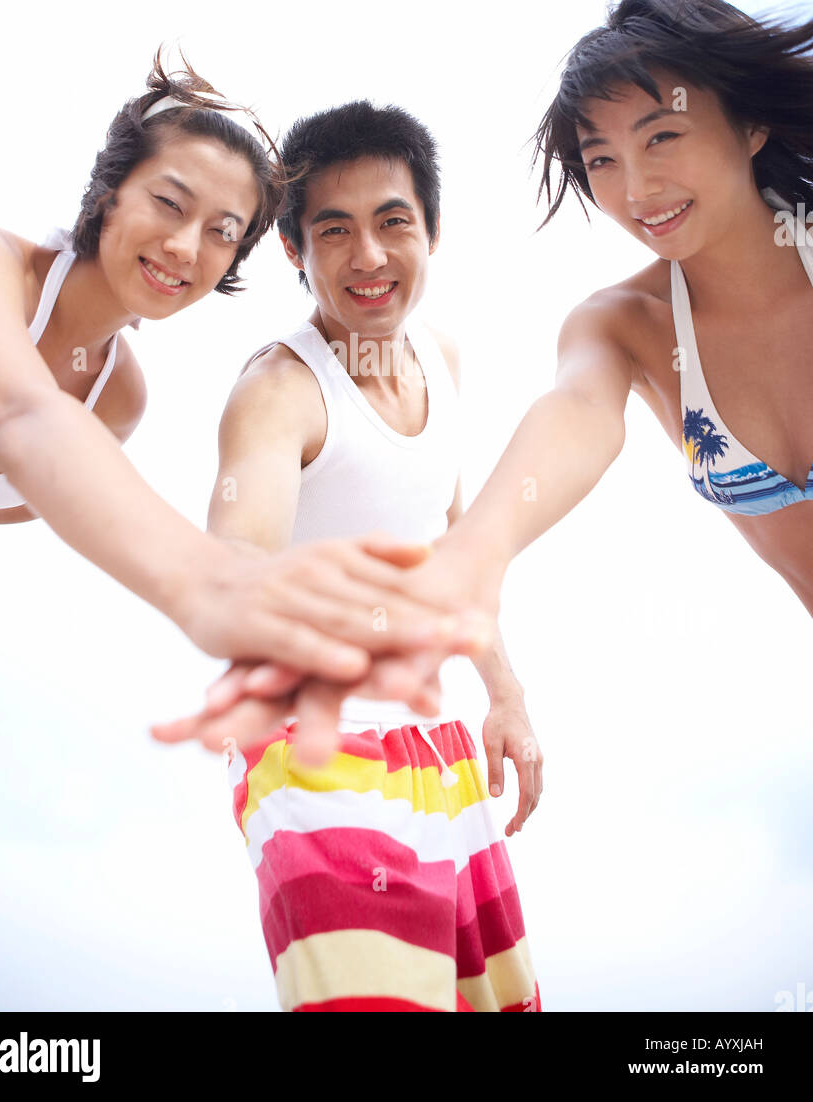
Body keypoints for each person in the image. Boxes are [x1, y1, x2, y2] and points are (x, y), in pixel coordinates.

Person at [163, 0, 813, 752]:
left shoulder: (436, 363)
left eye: (662, 137)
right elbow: (574, 417)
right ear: (295, 250)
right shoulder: (623, 326)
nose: (636, 189)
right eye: (602, 158)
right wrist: (468, 563)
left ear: (751, 124)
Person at [155, 99, 542, 1013]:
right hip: (310, 750)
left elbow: (447, 543)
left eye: (392, 222)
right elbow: (233, 564)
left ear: (433, 232)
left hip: (437, 753)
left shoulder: (440, 360)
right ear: (294, 251)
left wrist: (507, 695)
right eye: (334, 231)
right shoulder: (279, 394)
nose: (367, 257)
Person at [0, 51, 486, 690]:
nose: (184, 247)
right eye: (170, 204)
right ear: (109, 191)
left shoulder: (118, 399)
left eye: (222, 232)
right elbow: (22, 416)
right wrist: (206, 584)